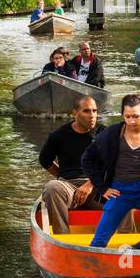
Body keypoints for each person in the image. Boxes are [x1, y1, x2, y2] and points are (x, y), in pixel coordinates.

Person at [82, 94, 140, 247]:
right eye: (127, 116)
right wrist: (102, 188)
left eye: (136, 116)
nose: (132, 121)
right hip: (119, 191)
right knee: (99, 240)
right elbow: (87, 159)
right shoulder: (111, 134)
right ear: (122, 115)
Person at [38, 96, 105, 234]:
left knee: (124, 189)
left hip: (98, 187)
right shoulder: (59, 135)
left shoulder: (105, 134)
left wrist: (90, 184)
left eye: (94, 111)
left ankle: (126, 237)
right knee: (52, 188)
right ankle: (62, 237)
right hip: (69, 187)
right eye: (86, 111)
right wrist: (63, 177)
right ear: (74, 113)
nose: (92, 116)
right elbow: (45, 161)